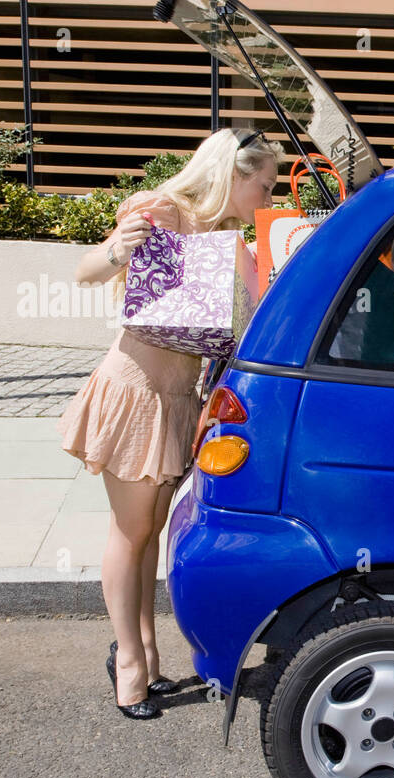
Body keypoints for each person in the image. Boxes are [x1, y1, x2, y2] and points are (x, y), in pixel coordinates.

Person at [57, 127, 281, 719]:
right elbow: (86, 273)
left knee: (153, 529)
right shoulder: (161, 209)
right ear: (233, 175)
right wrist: (114, 252)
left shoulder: (231, 238)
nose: (266, 194)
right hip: (136, 390)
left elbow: (248, 317)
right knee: (131, 533)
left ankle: (144, 648)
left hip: (182, 397)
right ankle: (130, 662)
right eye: (262, 183)